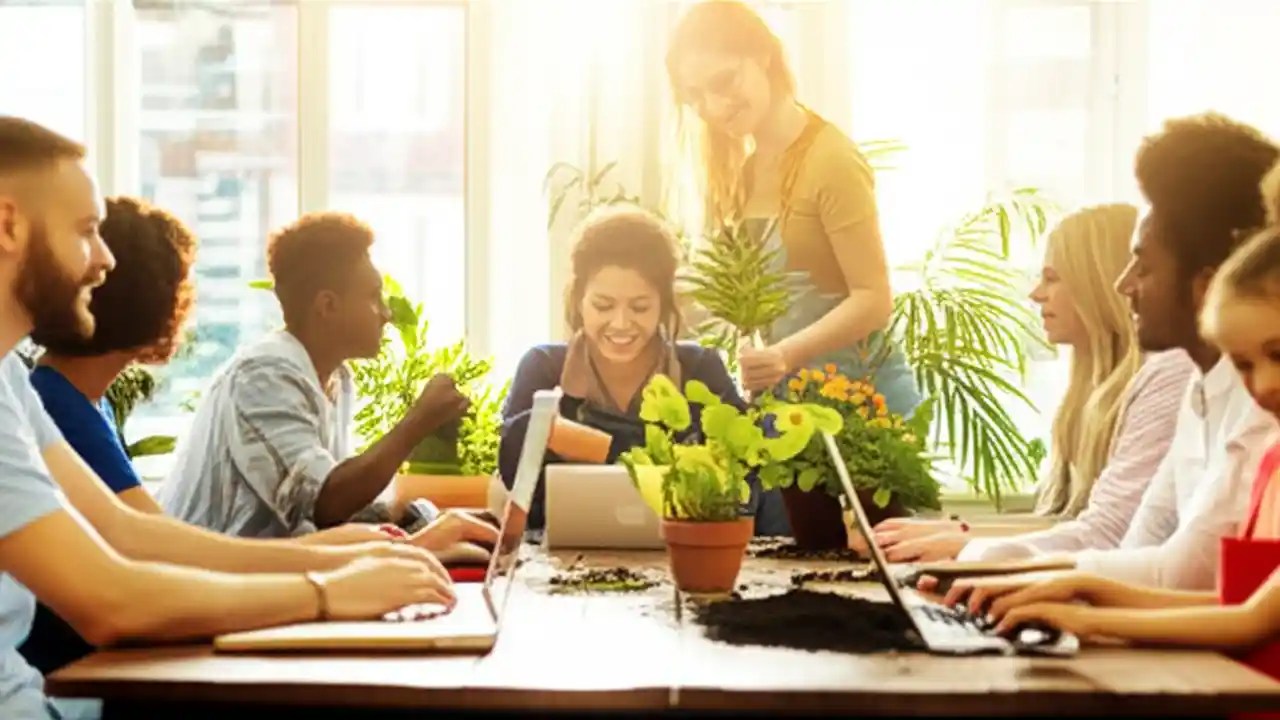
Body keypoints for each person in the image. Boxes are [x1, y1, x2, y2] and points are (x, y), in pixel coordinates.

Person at [0, 117, 454, 720]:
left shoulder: (10, 376)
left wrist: (333, 559)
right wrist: (325, 592)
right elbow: (108, 600)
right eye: (86, 232)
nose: (104, 260)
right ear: (8, 225)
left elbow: (127, 531)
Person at [919, 112, 1280, 593]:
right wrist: (983, 566)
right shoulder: (1200, 386)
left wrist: (997, 569)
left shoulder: (1260, 401)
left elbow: (1187, 573)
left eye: (1145, 267)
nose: (1123, 284)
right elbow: (1133, 544)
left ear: (1206, 285)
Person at [935, 220, 1280, 688]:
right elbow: (1234, 604)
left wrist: (1088, 617)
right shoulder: (1270, 456)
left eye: (1277, 355)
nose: (1261, 386)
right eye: (1242, 366)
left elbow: (1250, 621)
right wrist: (1084, 589)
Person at [666, 0, 919, 533]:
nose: (714, 105)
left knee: (886, 581)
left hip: (866, 407)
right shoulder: (746, 169)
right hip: (794, 411)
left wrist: (783, 354)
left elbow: (874, 298)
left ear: (763, 54)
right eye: (697, 96)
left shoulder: (832, 160)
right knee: (808, 582)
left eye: (724, 80)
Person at [870, 204, 1196, 562]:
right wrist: (954, 531)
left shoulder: (1171, 374)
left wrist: (966, 546)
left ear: (1097, 284)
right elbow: (1066, 524)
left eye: (1053, 278)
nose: (1036, 294)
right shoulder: (1091, 393)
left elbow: (1107, 533)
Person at [161, 212, 495, 553]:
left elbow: (341, 508)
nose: (386, 314)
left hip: (268, 579)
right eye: (374, 297)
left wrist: (429, 519)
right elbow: (324, 503)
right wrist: (418, 421)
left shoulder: (335, 378)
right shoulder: (264, 375)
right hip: (208, 585)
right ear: (328, 306)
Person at [500, 204, 743, 532]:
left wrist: (589, 447)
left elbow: (743, 477)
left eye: (640, 307)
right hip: (561, 561)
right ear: (578, 300)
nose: (621, 324)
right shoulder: (544, 369)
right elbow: (518, 479)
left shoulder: (700, 370)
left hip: (683, 555)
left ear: (663, 305)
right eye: (603, 305)